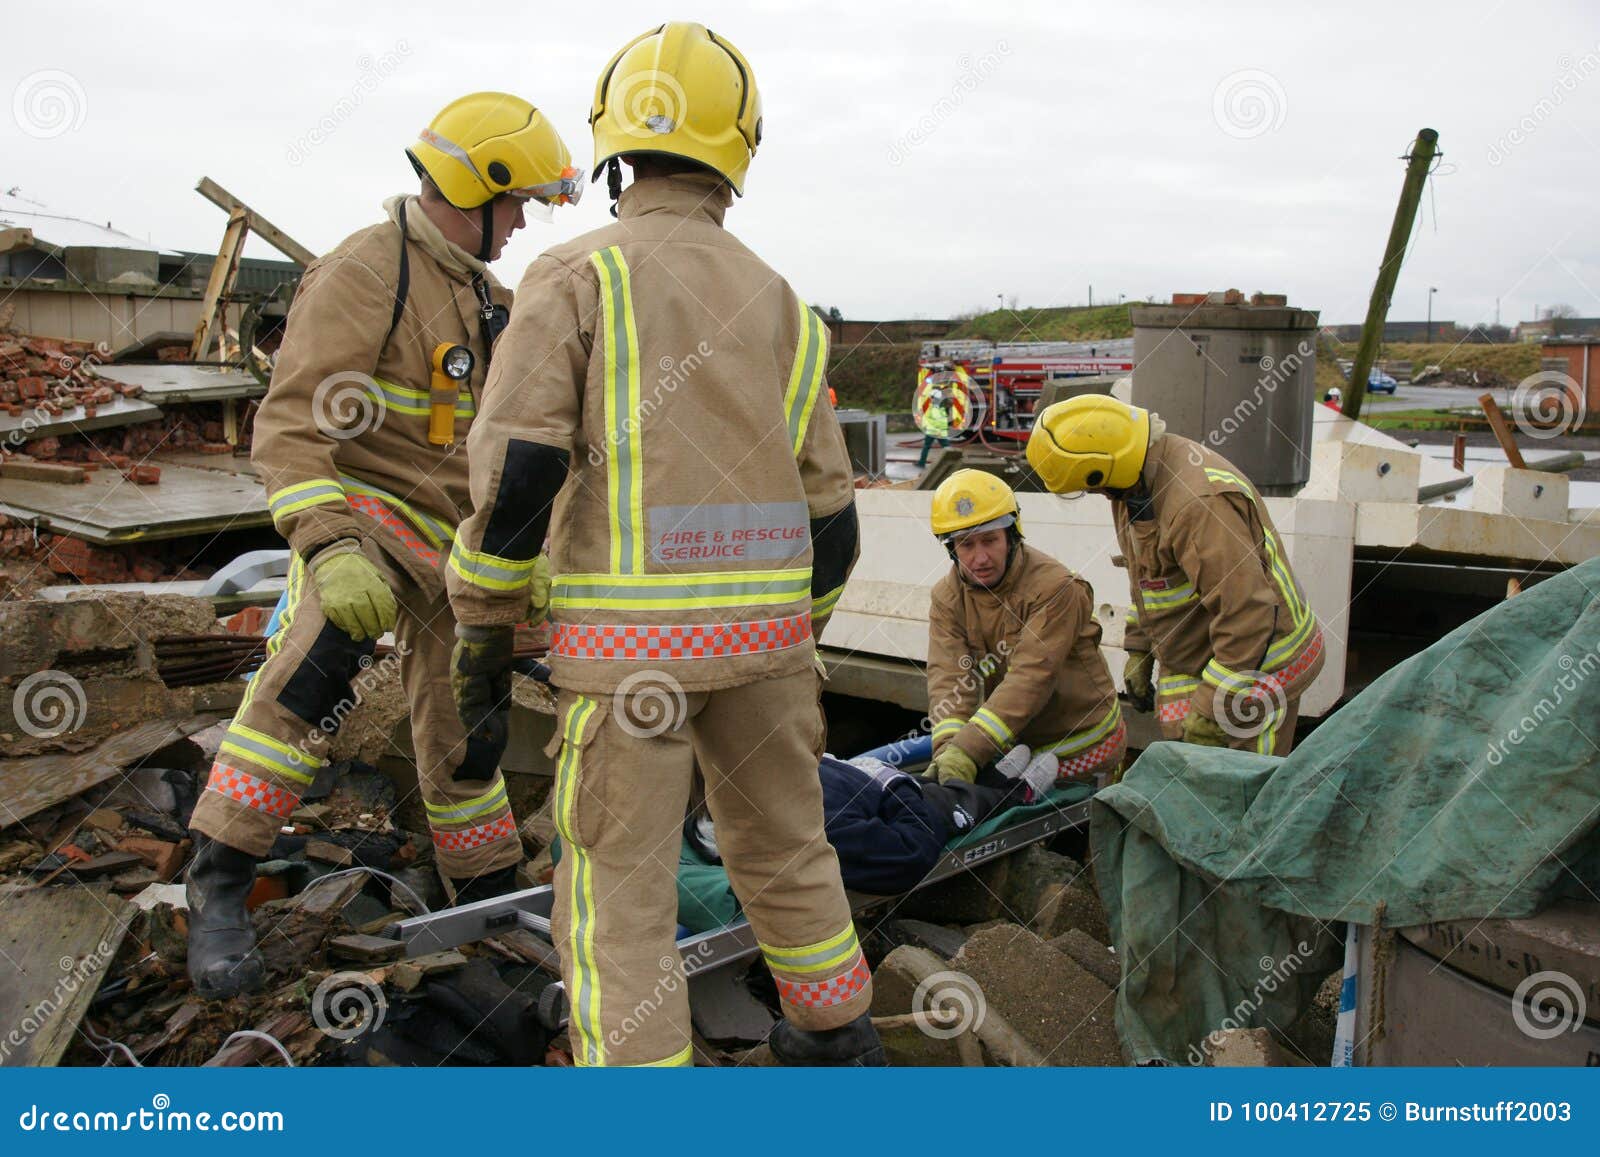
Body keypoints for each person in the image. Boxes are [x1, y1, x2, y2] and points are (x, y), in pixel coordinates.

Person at [445, 23, 881, 1067]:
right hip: (769, 656)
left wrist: (482, 610)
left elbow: (519, 470)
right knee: (786, 847)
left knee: (614, 893)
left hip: (631, 663)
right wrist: (786, 633)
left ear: (611, 148)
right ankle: (836, 1035)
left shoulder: (573, 275)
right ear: (740, 148)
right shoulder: (785, 305)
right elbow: (835, 521)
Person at [183, 93, 580, 1000]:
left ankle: (479, 891)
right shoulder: (366, 272)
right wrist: (327, 543)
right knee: (312, 677)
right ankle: (219, 878)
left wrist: (539, 548)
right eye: (517, 203)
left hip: (461, 552)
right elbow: (290, 427)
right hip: (366, 528)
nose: (522, 224)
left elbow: (519, 443)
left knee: (469, 721)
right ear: (477, 188)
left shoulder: (495, 300)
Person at [1026, 396, 1324, 755]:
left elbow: (1247, 614)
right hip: (1202, 650)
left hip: (1260, 660)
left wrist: (1215, 706)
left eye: (1092, 485)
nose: (1095, 494)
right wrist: (1139, 647)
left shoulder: (1197, 504)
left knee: (1242, 790)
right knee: (1190, 767)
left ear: (1106, 467)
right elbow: (1148, 574)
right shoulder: (1133, 483)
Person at [923, 469, 1125, 788]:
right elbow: (948, 676)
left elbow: (1031, 676)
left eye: (990, 540)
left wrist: (968, 750)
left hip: (1082, 748)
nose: (980, 558)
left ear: (1012, 535)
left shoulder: (1057, 588)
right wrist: (949, 748)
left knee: (1078, 836)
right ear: (952, 549)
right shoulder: (947, 597)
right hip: (1015, 749)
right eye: (966, 545)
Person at [916, 390, 954, 467]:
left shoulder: (932, 407)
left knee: (926, 447)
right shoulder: (943, 407)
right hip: (941, 432)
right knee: (947, 448)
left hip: (932, 431)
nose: (930, 398)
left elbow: (928, 419)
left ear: (933, 398)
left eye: (931, 397)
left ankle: (921, 463)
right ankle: (953, 462)